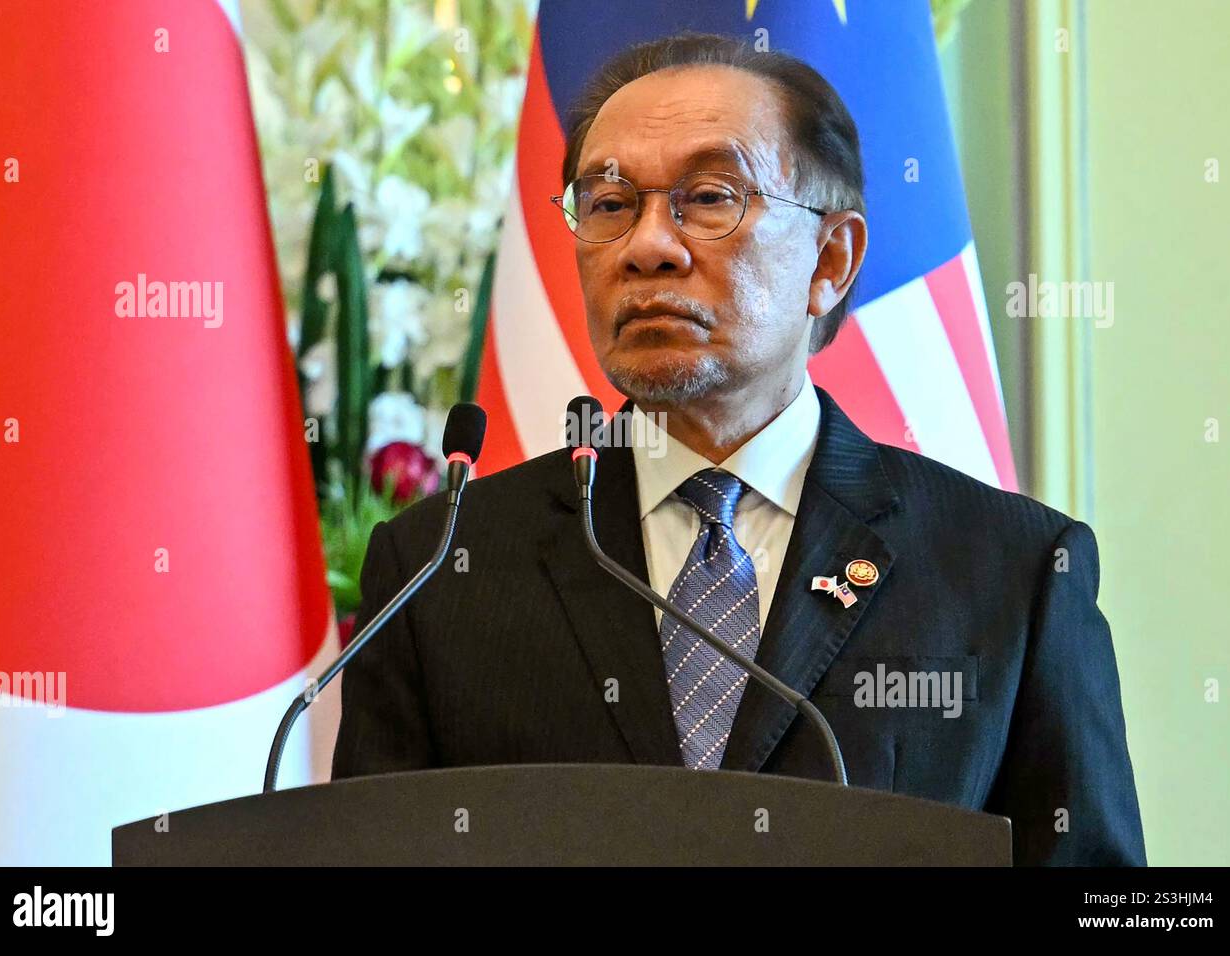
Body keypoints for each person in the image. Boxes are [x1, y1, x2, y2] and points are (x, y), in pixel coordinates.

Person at [332, 32, 1145, 866]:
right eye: (609, 204)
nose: (649, 246)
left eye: (710, 197)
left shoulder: (1010, 570)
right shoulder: (440, 567)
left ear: (831, 259)